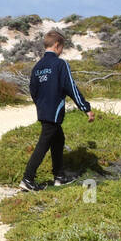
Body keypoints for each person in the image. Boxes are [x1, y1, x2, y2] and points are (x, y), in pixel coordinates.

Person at [21, 28, 95, 191]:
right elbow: (71, 88)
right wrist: (86, 108)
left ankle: (59, 176)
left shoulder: (37, 66)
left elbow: (33, 90)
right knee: (43, 143)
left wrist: (41, 104)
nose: (62, 51)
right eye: (62, 48)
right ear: (57, 45)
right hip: (54, 111)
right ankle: (28, 178)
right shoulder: (60, 64)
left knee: (58, 139)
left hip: (43, 110)